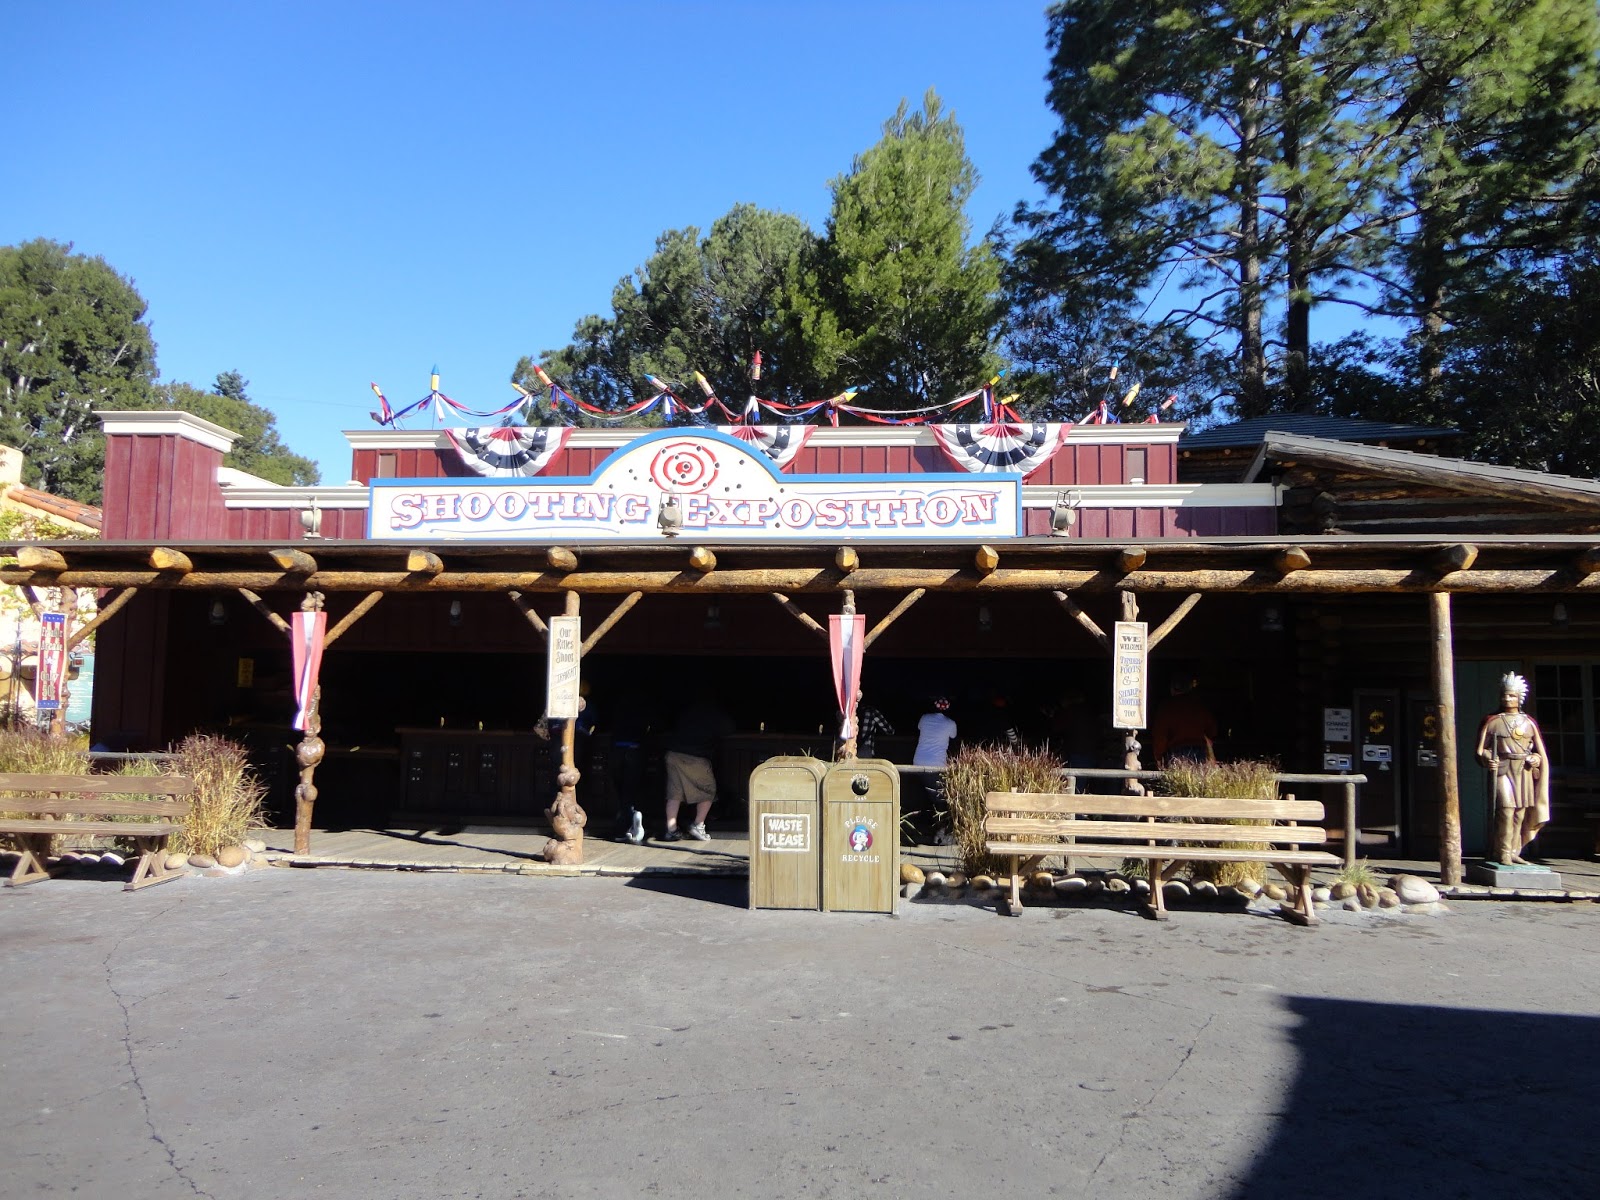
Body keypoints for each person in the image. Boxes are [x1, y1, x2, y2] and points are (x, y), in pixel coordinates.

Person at [1475, 672, 1551, 866]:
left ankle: (1514, 850)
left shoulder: (1528, 723)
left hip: (1523, 771)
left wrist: (1535, 758)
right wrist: (1486, 758)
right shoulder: (1492, 721)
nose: (1507, 698)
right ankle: (1501, 853)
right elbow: (1480, 749)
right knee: (1506, 811)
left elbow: (1540, 751)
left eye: (1511, 695)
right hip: (1503, 769)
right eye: (1504, 695)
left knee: (1520, 813)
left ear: (1519, 698)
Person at [658, 696, 735, 842]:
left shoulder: (686, 709)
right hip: (695, 756)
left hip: (673, 754)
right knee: (708, 791)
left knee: (675, 793)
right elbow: (728, 729)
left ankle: (671, 830)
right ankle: (698, 825)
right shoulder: (715, 713)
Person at [1150, 675, 1217, 764]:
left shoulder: (1166, 708)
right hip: (1200, 753)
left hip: (1177, 753)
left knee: (1178, 778)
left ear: (1172, 689)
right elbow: (1212, 731)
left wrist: (1159, 757)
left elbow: (1160, 736)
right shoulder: (1199, 705)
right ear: (1189, 688)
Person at [850, 690, 894, 759]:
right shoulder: (873, 712)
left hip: (850, 746)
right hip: (865, 748)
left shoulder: (853, 711)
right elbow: (889, 730)